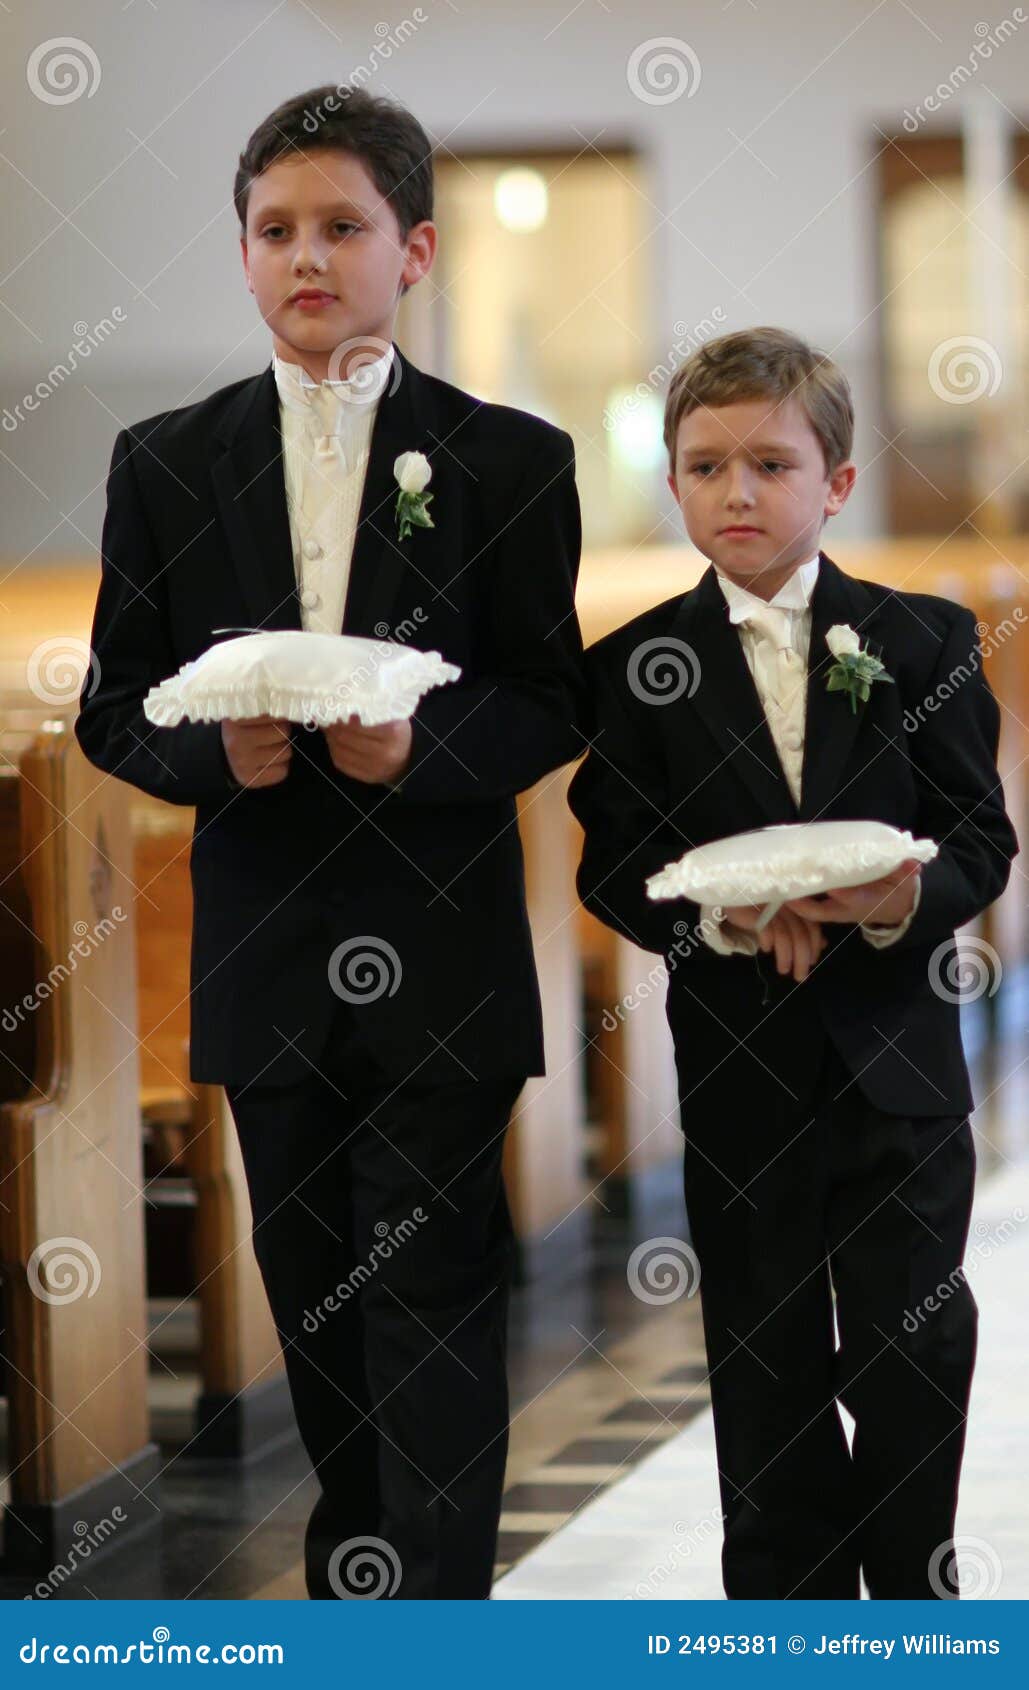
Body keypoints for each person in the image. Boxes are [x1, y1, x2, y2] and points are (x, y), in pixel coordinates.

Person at [75, 83, 585, 1600]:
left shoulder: (507, 459)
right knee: (313, 1298)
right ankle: (358, 1587)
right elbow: (112, 704)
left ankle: (439, 1611)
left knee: (431, 1288)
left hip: (439, 943)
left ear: (413, 251)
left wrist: (423, 748)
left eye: (343, 227)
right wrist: (208, 755)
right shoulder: (166, 460)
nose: (309, 256)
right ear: (242, 253)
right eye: (276, 229)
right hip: (268, 944)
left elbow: (550, 700)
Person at [567, 325, 1017, 1598]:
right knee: (764, 1361)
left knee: (912, 1347)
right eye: (706, 467)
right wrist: (721, 919)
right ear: (674, 482)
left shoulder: (921, 642)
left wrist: (896, 896)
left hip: (897, 1069)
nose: (738, 492)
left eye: (771, 464)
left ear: (837, 483)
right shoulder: (635, 669)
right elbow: (615, 863)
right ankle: (789, 1621)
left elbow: (981, 837)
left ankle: (914, 1602)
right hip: (741, 1067)